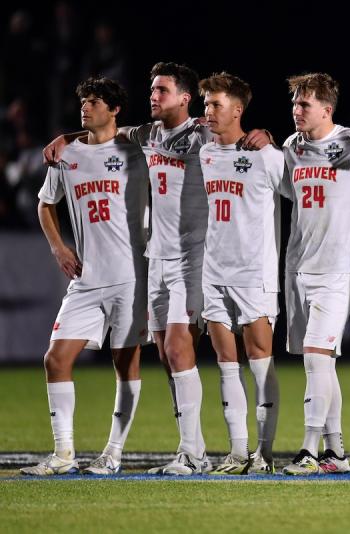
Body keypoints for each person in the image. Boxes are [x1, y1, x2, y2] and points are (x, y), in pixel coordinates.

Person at [43, 62, 271, 475]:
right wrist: (67, 137)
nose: (153, 96)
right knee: (167, 355)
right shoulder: (146, 135)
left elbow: (242, 139)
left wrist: (264, 134)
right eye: (152, 90)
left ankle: (194, 451)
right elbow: (106, 134)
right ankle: (195, 450)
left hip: (195, 257)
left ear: (186, 99)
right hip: (157, 257)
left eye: (162, 91)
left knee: (179, 348)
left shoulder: (205, 131)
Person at [21, 77, 149, 476]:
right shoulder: (67, 156)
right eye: (83, 101)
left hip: (131, 276)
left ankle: (112, 454)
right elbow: (46, 205)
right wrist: (59, 248)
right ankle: (63, 454)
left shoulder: (136, 151)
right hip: (87, 278)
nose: (85, 106)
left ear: (114, 110)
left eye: (94, 101)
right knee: (56, 359)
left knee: (125, 364)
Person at [280, 73, 350, 476]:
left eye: (305, 104)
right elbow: (299, 199)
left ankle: (307, 449)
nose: (297, 110)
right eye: (295, 103)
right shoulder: (291, 148)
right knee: (322, 362)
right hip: (298, 264)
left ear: (327, 109)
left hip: (338, 267)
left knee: (316, 356)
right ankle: (336, 453)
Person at [198, 72, 283, 475]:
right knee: (225, 362)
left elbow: (306, 196)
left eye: (215, 104)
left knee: (260, 360)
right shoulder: (203, 150)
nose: (208, 111)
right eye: (206, 104)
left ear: (238, 109)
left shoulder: (267, 155)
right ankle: (236, 451)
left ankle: (263, 454)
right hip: (214, 270)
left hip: (255, 273)